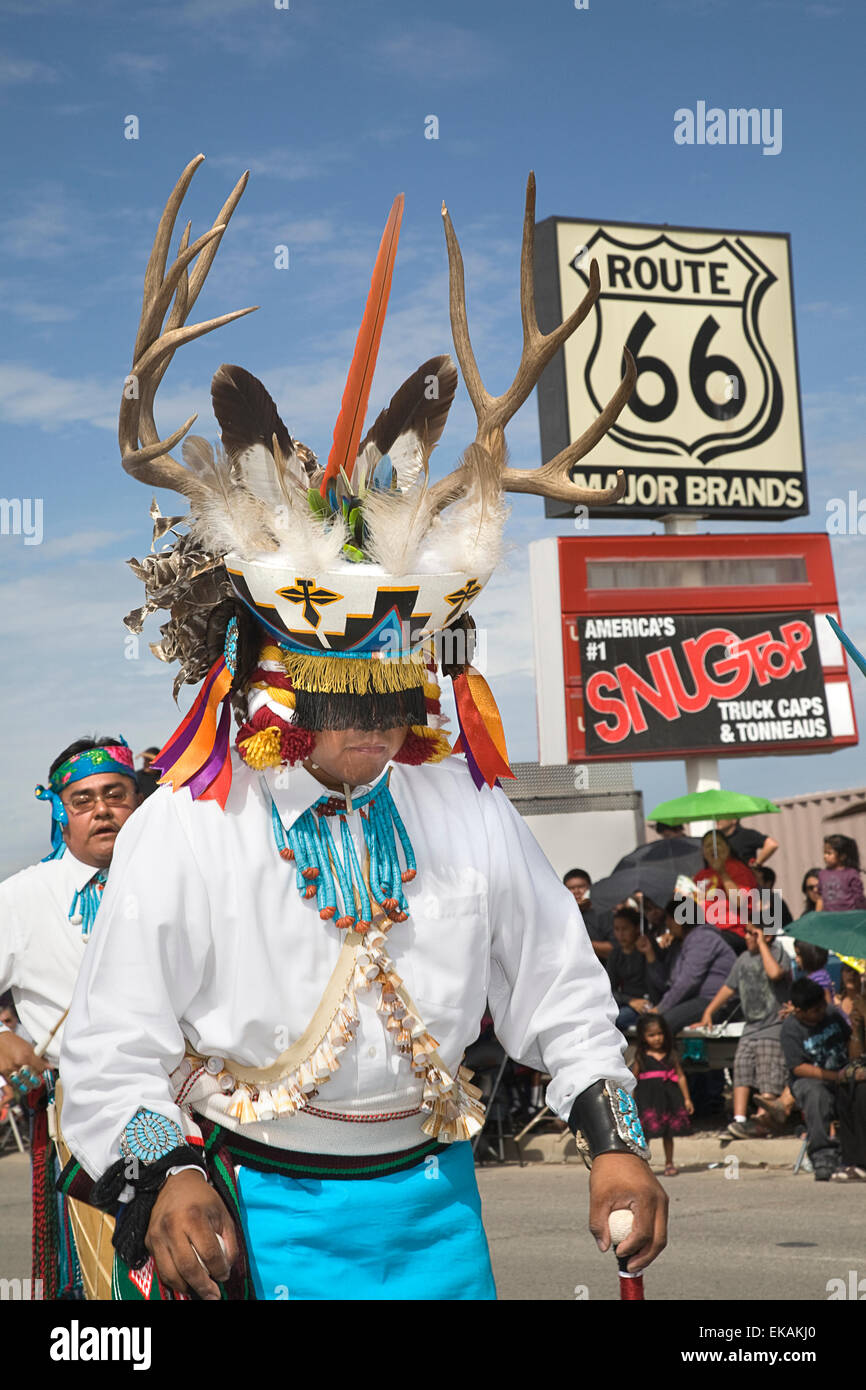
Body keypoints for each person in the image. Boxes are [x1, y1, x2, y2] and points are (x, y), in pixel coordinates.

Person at [57, 159, 667, 1302]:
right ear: (269, 688)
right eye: (341, 705)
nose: (373, 734)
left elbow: (559, 990)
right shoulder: (189, 826)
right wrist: (166, 1174)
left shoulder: (465, 810)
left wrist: (613, 1135)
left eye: (395, 703)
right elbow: (109, 1047)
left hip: (440, 1216)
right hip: (248, 1214)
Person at [0, 735, 140, 1297]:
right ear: (61, 812)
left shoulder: (179, 882)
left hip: (188, 1111)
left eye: (116, 794)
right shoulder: (24, 898)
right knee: (103, 1279)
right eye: (82, 800)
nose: (102, 809)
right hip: (78, 1121)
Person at [696, 922, 791, 1139]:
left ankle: (763, 1121)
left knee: (769, 1072)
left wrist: (762, 944)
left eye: (752, 933)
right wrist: (709, 1011)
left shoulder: (778, 954)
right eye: (747, 932)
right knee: (742, 1069)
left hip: (772, 1026)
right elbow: (729, 987)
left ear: (766, 936)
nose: (746, 936)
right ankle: (739, 1120)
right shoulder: (743, 959)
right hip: (751, 1027)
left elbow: (775, 973)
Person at [780, 978, 854, 1180]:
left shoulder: (831, 1014)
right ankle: (823, 1154)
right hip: (810, 1079)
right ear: (798, 1011)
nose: (821, 1013)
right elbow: (799, 1068)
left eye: (822, 1007)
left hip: (843, 1072)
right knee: (816, 1094)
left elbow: (850, 1040)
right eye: (815, 1011)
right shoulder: (791, 1029)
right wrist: (835, 1076)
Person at [653, 913, 738, 1033]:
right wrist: (650, 955)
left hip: (716, 1001)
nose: (668, 925)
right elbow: (669, 981)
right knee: (649, 1023)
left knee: (659, 1026)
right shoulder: (679, 944)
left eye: (670, 920)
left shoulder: (703, 938)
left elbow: (688, 981)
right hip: (695, 999)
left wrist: (661, 1008)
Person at [631, 1014, 692, 1177]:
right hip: (648, 1100)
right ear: (643, 1037)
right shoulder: (641, 1057)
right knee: (645, 1134)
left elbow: (680, 1076)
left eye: (659, 1034)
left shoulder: (671, 1055)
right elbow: (633, 1079)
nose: (657, 1038)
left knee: (668, 1134)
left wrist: (687, 1098)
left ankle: (669, 1162)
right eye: (652, 1035)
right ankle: (641, 1164)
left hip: (668, 1099)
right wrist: (630, 1101)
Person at [694, 829, 760, 955]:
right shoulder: (700, 876)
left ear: (728, 848)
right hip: (705, 932)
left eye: (718, 843)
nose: (713, 848)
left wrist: (723, 873)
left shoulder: (738, 869)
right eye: (708, 845)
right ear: (703, 852)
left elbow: (740, 902)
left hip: (733, 933)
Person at [606, 906, 661, 1032]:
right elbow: (609, 989)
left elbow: (657, 981)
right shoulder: (615, 954)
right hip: (626, 1002)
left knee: (618, 1019)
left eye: (625, 929)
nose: (620, 934)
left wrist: (648, 953)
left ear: (636, 928)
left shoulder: (648, 947)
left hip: (648, 1002)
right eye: (616, 929)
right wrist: (630, 1001)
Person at [563, 868, 615, 961]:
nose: (576, 891)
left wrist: (585, 943)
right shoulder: (562, 916)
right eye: (571, 888)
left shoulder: (604, 913)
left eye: (581, 886)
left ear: (590, 888)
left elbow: (615, 949)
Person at [817, 834, 866, 912]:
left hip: (848, 917)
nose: (825, 856)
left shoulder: (851, 874)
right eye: (824, 853)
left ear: (842, 856)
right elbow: (820, 898)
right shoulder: (822, 874)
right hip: (829, 918)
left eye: (829, 853)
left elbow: (858, 897)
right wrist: (817, 915)